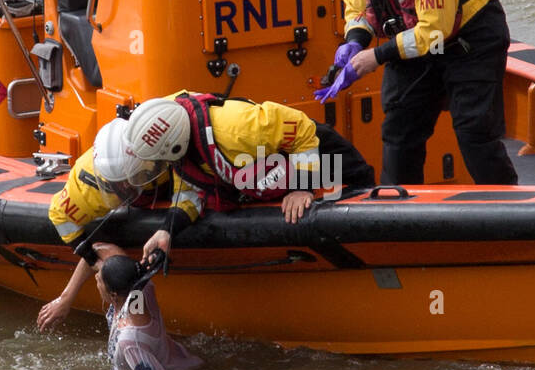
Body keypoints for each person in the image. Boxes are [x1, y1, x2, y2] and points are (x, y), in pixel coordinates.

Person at [315, 0, 519, 186]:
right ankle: (398, 210)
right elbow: (358, 3)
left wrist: (376, 56)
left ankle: (508, 205)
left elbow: (435, 30)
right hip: (413, 40)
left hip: (469, 39)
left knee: (473, 131)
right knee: (399, 130)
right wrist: (355, 40)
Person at [122, 90, 375, 258]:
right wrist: (166, 230)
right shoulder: (184, 153)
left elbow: (301, 129)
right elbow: (189, 194)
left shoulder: (237, 128)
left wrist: (303, 186)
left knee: (360, 185)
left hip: (321, 153)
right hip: (275, 167)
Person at [36, 118, 199, 332]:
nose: (123, 187)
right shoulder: (86, 186)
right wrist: (97, 264)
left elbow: (192, 189)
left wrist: (169, 226)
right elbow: (61, 217)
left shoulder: (159, 155)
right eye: (116, 184)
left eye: (128, 181)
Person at [95, 245, 202, 370]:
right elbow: (99, 248)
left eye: (99, 280)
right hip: (185, 361)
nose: (96, 276)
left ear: (113, 295)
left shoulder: (131, 341)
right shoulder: (138, 291)